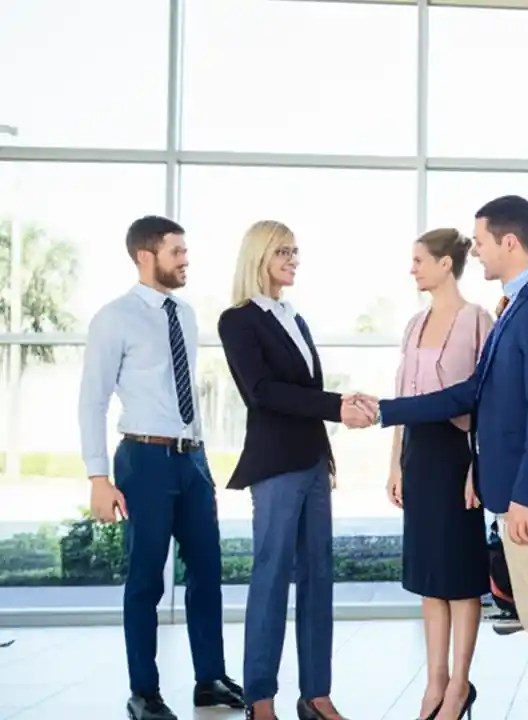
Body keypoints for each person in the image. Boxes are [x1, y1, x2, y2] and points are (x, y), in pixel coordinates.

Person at [353, 195, 528, 720]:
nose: (474, 251)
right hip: (513, 495)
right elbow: (469, 394)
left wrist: (526, 496)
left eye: (480, 242)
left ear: (510, 241)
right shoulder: (516, 308)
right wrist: (386, 410)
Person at [78, 215, 244, 720]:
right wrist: (98, 477)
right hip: (143, 459)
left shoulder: (186, 314)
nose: (186, 259)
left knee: (208, 571)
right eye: (177, 252)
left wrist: (199, 453)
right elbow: (92, 400)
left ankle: (209, 679)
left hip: (191, 459)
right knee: (147, 579)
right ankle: (144, 692)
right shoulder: (114, 318)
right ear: (145, 256)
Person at [217, 220, 369, 720]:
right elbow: (262, 391)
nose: (293, 260)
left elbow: (302, 394)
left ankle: (316, 694)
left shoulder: (294, 319)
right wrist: (335, 405)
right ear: (258, 257)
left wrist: (326, 454)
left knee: (319, 577)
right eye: (283, 251)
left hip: (310, 462)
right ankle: (260, 699)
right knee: (272, 577)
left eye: (296, 252)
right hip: (275, 464)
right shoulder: (238, 320)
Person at [386, 228, 494, 720]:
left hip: (458, 455)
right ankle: (434, 685)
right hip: (418, 454)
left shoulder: (478, 321)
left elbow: (489, 402)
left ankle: (459, 689)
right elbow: (402, 399)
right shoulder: (413, 324)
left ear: (446, 263)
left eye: (419, 260)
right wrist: (395, 463)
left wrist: (480, 466)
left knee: (460, 578)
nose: (412, 269)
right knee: (430, 577)